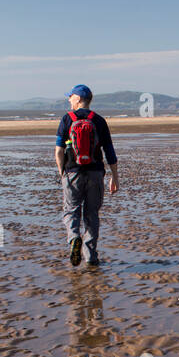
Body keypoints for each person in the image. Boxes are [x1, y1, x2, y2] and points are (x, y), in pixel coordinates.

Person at [55, 84, 118, 267]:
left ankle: (74, 238)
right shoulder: (98, 120)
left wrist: (61, 171)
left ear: (78, 98)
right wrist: (114, 177)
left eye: (71, 96)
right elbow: (110, 151)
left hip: (73, 172)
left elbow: (58, 150)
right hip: (96, 173)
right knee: (92, 215)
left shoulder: (67, 119)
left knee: (71, 211)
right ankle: (90, 256)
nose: (69, 100)